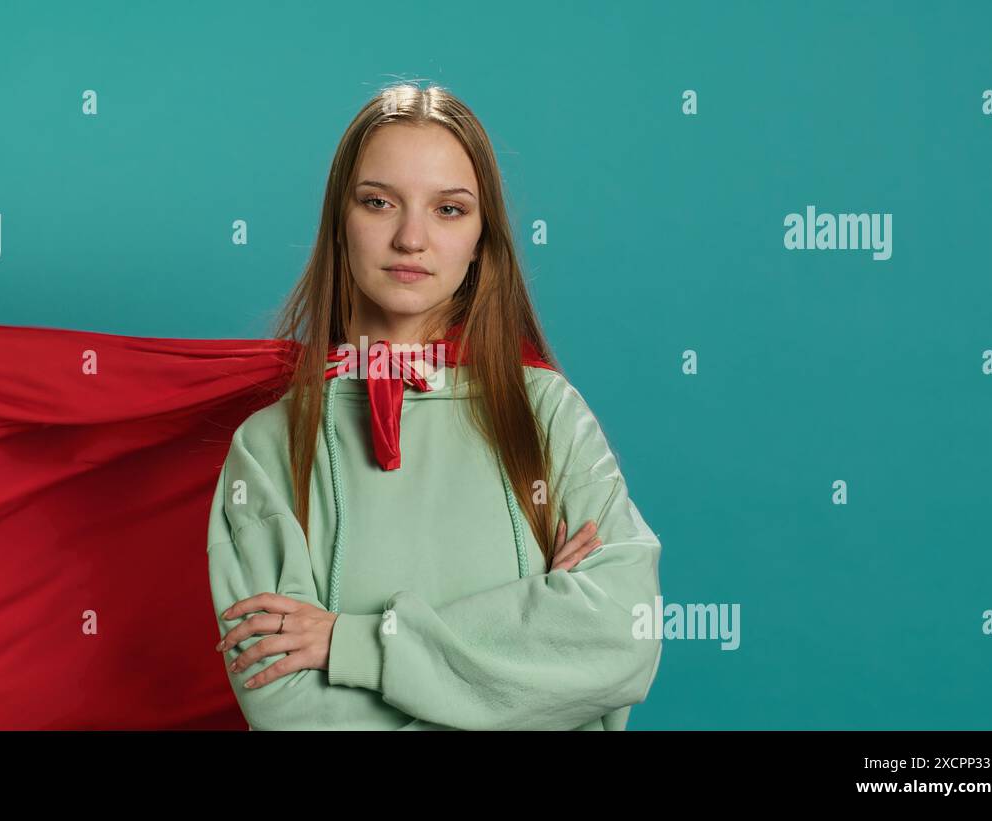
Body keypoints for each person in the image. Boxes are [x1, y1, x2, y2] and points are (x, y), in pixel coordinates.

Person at [206, 82, 663, 730]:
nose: (411, 237)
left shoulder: (549, 415)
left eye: (449, 209)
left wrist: (349, 642)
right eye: (378, 202)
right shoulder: (269, 446)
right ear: (340, 223)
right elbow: (289, 709)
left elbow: (624, 636)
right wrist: (533, 663)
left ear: (483, 238)